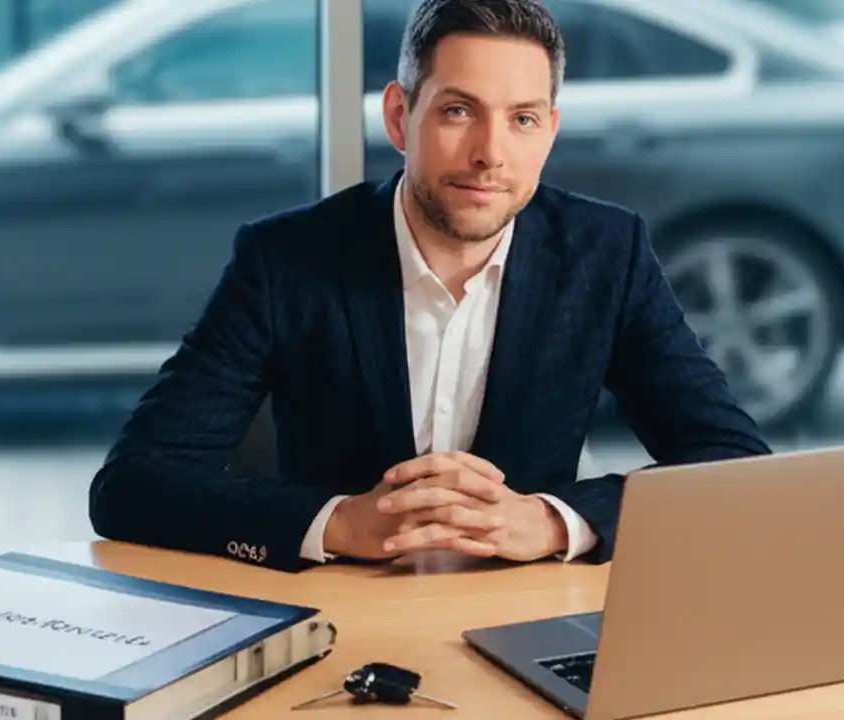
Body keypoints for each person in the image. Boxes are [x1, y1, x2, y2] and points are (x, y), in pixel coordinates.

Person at [89, 0, 771, 573]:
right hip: (341, 620)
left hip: (525, 618)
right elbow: (132, 485)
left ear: (550, 133)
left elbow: (734, 466)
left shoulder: (605, 254)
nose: (490, 154)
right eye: (457, 112)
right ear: (398, 118)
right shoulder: (284, 259)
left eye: (522, 119)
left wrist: (558, 522)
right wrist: (337, 524)